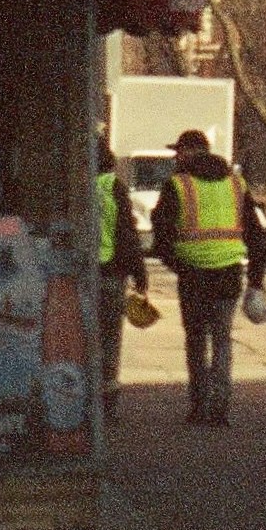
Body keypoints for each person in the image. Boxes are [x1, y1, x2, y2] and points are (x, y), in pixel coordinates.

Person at [149, 128, 266, 428]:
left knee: (195, 340)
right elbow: (256, 234)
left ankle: (199, 406)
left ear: (189, 152)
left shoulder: (178, 185)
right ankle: (220, 407)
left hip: (192, 274)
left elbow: (161, 233)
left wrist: (176, 264)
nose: (176, 157)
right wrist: (256, 280)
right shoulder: (236, 183)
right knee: (222, 339)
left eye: (179, 151)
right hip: (228, 273)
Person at [95, 135, 148, 424]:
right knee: (109, 341)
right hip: (111, 273)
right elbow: (127, 233)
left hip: (78, 273)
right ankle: (106, 405)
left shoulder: (72, 187)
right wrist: (139, 272)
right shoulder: (113, 187)